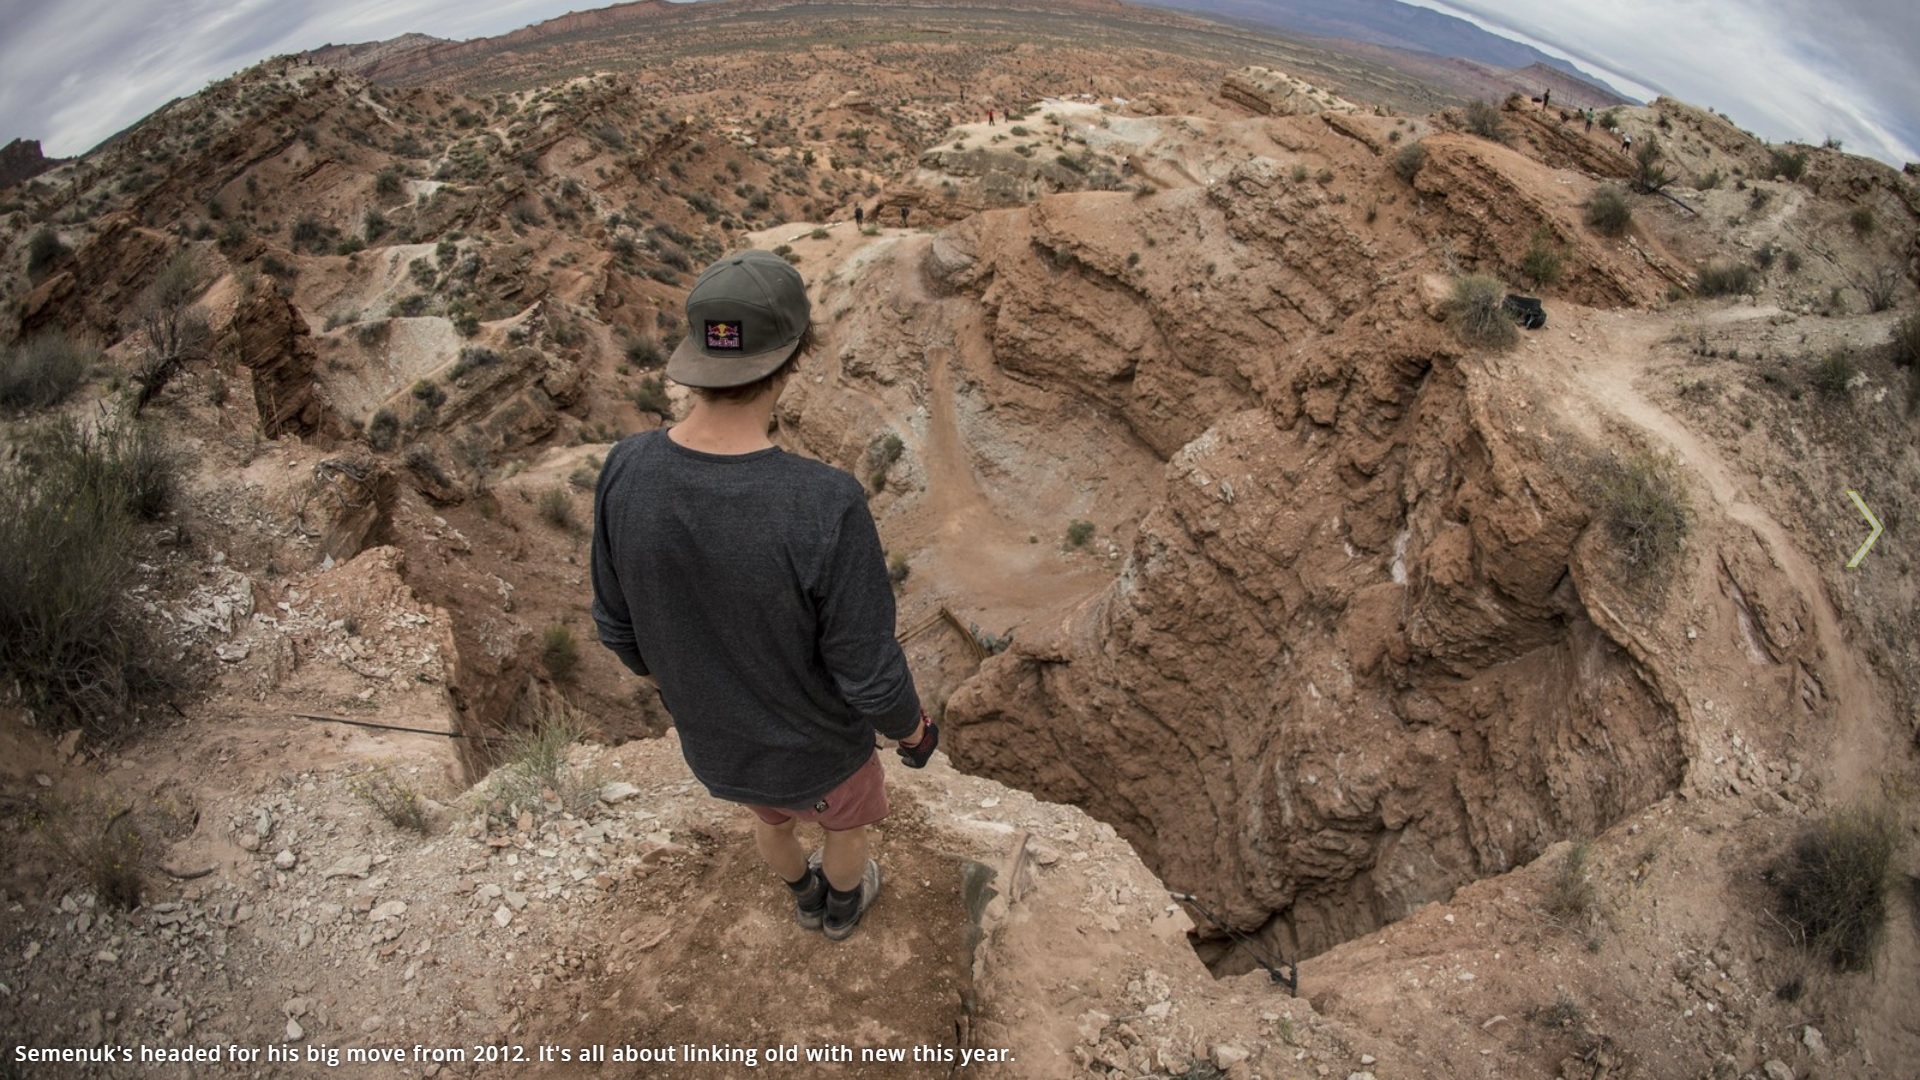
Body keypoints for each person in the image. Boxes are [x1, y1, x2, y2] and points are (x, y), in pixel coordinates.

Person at [591, 250, 936, 942]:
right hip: (822, 753)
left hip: (720, 747)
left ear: (699, 354)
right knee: (845, 829)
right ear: (792, 359)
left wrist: (694, 691)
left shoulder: (626, 468)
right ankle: (840, 911)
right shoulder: (825, 503)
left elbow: (617, 626)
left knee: (769, 823)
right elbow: (865, 667)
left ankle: (802, 896)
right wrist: (913, 731)